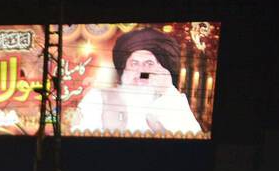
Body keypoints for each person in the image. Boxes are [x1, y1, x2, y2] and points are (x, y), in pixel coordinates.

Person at [74, 27, 203, 135]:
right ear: (124, 69)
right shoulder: (97, 97)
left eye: (149, 63)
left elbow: (194, 138)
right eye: (134, 63)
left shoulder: (172, 100)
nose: (141, 71)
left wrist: (168, 92)